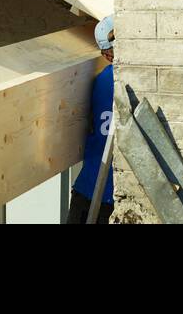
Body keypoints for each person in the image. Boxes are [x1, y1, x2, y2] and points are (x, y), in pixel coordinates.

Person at [67, 16, 114, 224]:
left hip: (91, 190)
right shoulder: (113, 80)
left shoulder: (105, 79)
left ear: (106, 54)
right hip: (102, 195)